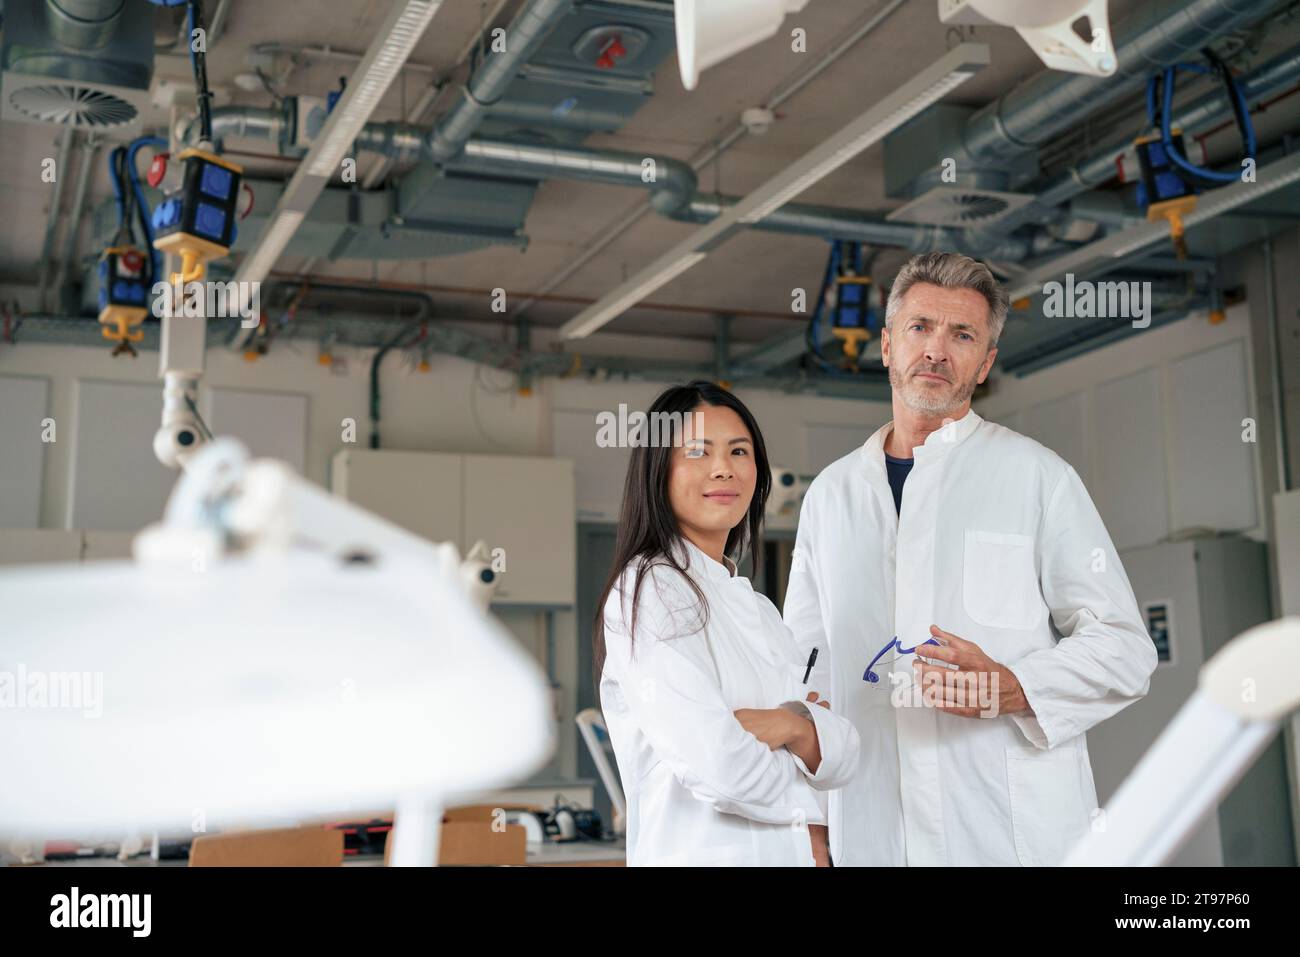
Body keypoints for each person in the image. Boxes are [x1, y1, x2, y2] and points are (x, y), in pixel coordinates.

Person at [783, 252, 1158, 867]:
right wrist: (813, 819)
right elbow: (806, 666)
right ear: (885, 345)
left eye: (962, 335)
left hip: (1007, 831)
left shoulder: (1037, 477)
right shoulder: (831, 495)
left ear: (983, 364)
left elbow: (1125, 648)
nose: (936, 350)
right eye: (920, 327)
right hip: (874, 828)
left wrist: (1015, 688)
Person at [595, 381, 861, 866]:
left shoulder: (756, 609)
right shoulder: (651, 589)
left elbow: (843, 749)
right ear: (659, 473)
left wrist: (793, 727)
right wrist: (804, 750)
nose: (723, 468)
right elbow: (719, 765)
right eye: (697, 452)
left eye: (739, 451)